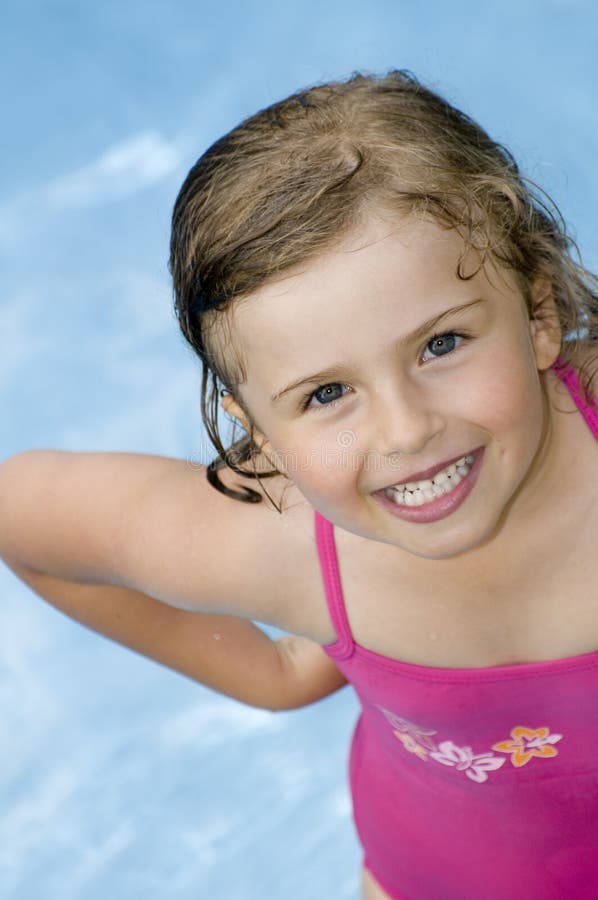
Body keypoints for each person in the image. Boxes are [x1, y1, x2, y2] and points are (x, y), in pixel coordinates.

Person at [1, 70, 597, 899]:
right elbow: (21, 512)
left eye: (442, 345)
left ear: (537, 317)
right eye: (326, 394)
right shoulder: (284, 552)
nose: (405, 431)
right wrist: (273, 674)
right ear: (259, 430)